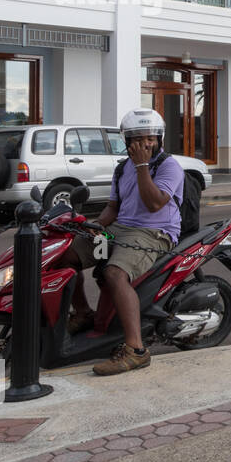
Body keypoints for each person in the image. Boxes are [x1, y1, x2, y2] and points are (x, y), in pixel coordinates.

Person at [62, 109, 184, 376]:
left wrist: (142, 166)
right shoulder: (122, 168)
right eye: (137, 139)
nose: (144, 144)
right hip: (118, 229)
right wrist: (94, 226)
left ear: (159, 139)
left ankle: (136, 350)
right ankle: (83, 313)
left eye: (149, 138)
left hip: (154, 232)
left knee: (115, 274)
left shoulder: (168, 166)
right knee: (66, 256)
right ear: (127, 141)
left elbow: (154, 204)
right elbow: (113, 208)